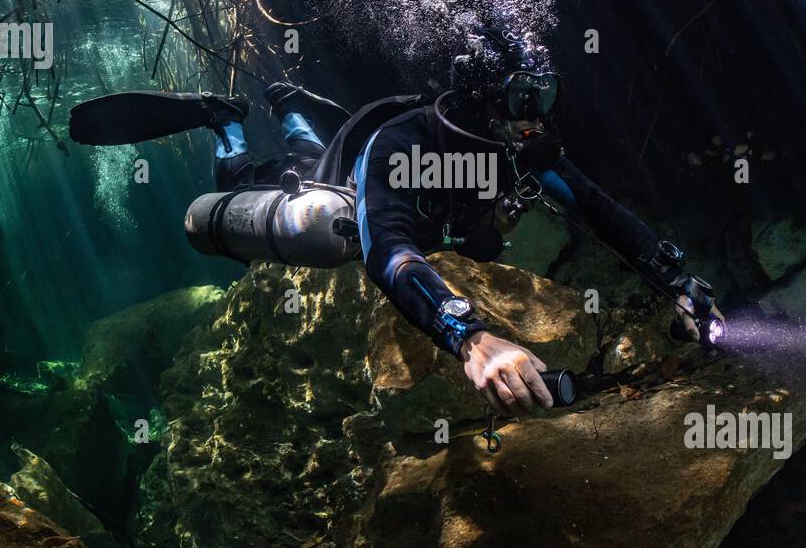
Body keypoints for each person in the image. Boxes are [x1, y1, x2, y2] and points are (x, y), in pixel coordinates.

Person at [196, 32, 724, 418]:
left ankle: (289, 106)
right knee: (258, 179)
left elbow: (594, 205)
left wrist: (676, 281)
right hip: (344, 190)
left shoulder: (518, 150)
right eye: (523, 99)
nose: (537, 116)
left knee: (311, 153)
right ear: (486, 104)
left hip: (416, 209)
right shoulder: (404, 145)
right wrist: (469, 337)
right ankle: (227, 120)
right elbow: (387, 252)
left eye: (545, 97)